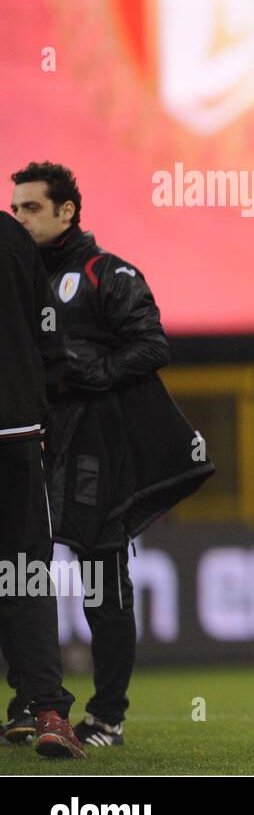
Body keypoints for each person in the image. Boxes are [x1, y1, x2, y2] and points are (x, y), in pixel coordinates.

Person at [3, 161, 213, 748]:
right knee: (20, 575)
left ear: (66, 212)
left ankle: (107, 716)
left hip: (95, 443)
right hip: (32, 440)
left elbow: (152, 343)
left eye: (31, 208)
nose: (19, 218)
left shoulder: (105, 273)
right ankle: (29, 704)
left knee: (101, 579)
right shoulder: (16, 273)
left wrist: (94, 371)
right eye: (14, 208)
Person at [0, 208, 83, 758]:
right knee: (25, 573)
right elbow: (50, 336)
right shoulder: (12, 239)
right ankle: (45, 710)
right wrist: (39, 406)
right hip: (15, 434)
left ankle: (32, 708)